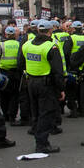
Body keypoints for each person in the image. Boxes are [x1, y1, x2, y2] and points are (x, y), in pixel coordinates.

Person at [23, 20, 65, 153]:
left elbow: (20, 63)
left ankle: (37, 134)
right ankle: (42, 143)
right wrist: (61, 89)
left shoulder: (27, 45)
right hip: (45, 84)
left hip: (31, 81)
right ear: (50, 31)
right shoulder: (50, 47)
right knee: (46, 113)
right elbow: (57, 71)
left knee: (35, 111)